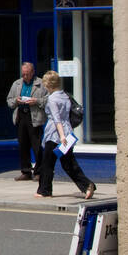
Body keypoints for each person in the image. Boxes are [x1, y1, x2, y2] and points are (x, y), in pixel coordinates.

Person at [37, 70, 96, 200]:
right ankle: (87, 185)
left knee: (47, 163)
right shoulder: (65, 95)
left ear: (48, 84)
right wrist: (65, 135)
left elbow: (56, 119)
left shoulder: (52, 99)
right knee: (68, 163)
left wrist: (61, 136)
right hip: (68, 131)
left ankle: (45, 191)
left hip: (55, 135)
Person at [7, 62, 48, 181]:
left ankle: (39, 172)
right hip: (21, 116)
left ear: (33, 72)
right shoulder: (17, 84)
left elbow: (48, 100)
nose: (25, 76)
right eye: (23, 74)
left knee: (37, 146)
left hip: (34, 116)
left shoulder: (41, 84)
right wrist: (16, 100)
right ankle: (26, 171)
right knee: (23, 145)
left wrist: (36, 101)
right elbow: (9, 101)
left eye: (27, 74)